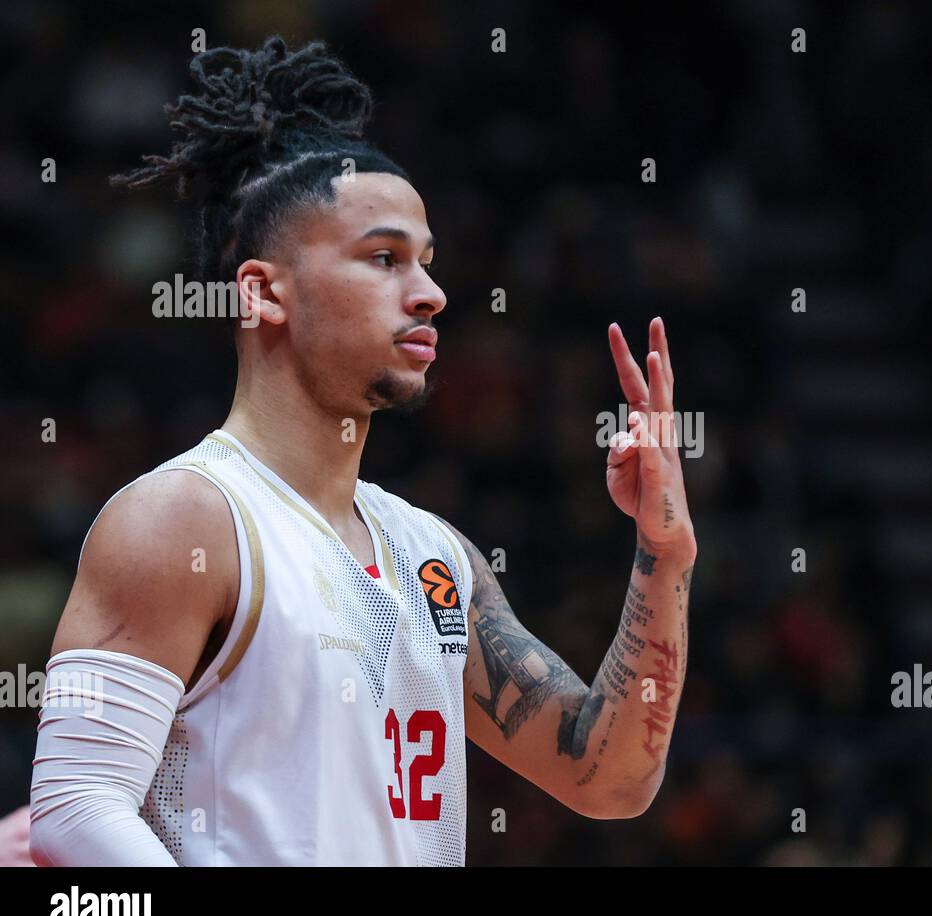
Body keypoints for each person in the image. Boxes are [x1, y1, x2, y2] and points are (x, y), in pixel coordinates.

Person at [28, 36, 695, 866]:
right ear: (264, 292)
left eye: (427, 262)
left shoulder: (434, 558)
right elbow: (73, 807)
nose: (432, 292)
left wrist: (664, 557)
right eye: (385, 258)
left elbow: (609, 778)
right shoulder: (184, 520)